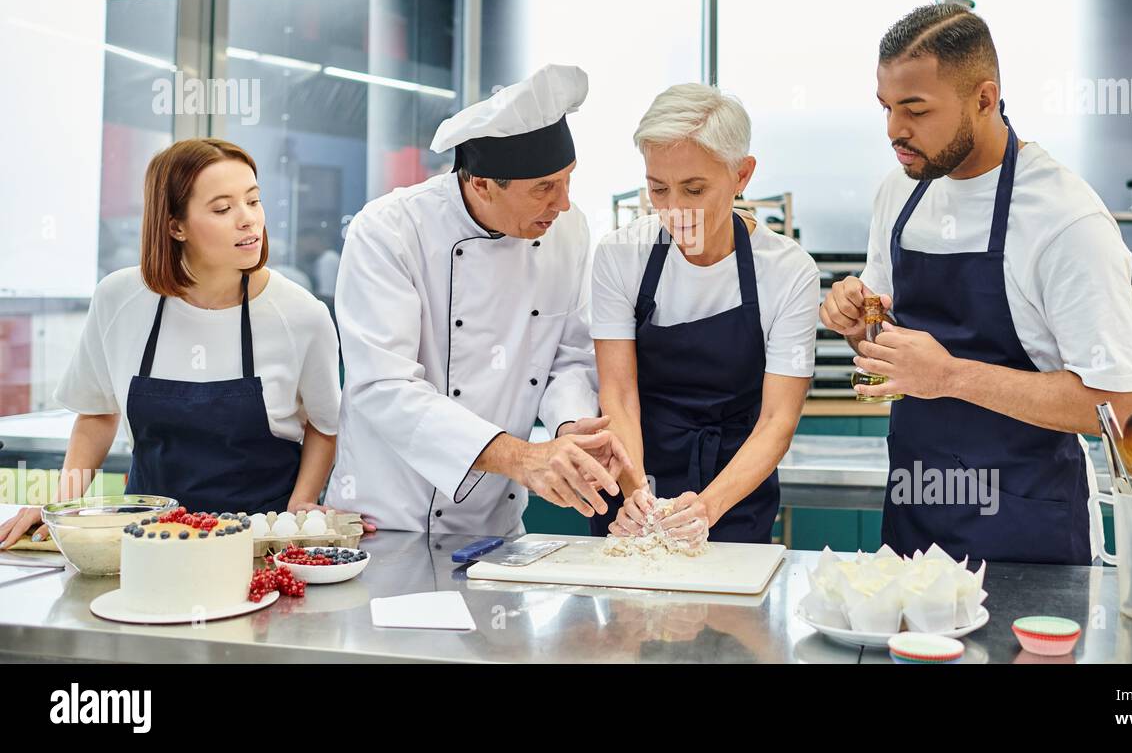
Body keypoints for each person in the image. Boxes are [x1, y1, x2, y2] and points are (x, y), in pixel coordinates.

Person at [819, 4, 1132, 565]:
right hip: (915, 520)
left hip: (1029, 528)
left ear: (984, 98)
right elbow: (887, 347)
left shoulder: (1065, 219)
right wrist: (859, 323)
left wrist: (949, 375)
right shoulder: (900, 193)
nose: (895, 130)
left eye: (916, 110)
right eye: (887, 107)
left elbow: (1119, 407)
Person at [323, 65, 631, 534]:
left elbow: (566, 358)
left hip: (495, 525)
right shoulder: (390, 231)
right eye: (544, 188)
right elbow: (385, 387)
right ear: (481, 183)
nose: (563, 203)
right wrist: (523, 457)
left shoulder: (568, 231)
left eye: (568, 180)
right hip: (387, 520)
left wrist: (570, 427)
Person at [1, 139, 345, 548]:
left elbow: (325, 426)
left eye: (253, 201)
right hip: (146, 543)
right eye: (223, 209)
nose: (248, 220)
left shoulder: (301, 314)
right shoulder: (119, 299)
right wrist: (60, 508)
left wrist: (300, 505)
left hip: (258, 548)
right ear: (174, 225)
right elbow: (96, 414)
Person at [590, 84, 820, 546]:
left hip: (735, 491)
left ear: (741, 175)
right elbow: (619, 392)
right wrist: (638, 496)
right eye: (658, 189)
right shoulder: (620, 256)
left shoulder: (788, 271)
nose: (675, 210)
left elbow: (777, 419)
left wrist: (707, 507)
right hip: (634, 475)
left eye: (694, 189)